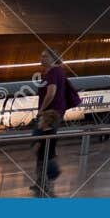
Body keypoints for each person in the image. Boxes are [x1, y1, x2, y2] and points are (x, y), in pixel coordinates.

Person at [33, 48, 77, 196]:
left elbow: (51, 93)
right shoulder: (56, 72)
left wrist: (41, 110)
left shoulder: (53, 73)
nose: (42, 57)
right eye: (42, 55)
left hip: (49, 115)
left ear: (53, 58)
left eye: (45, 56)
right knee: (43, 145)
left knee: (44, 146)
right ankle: (41, 180)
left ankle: (50, 176)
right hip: (53, 113)